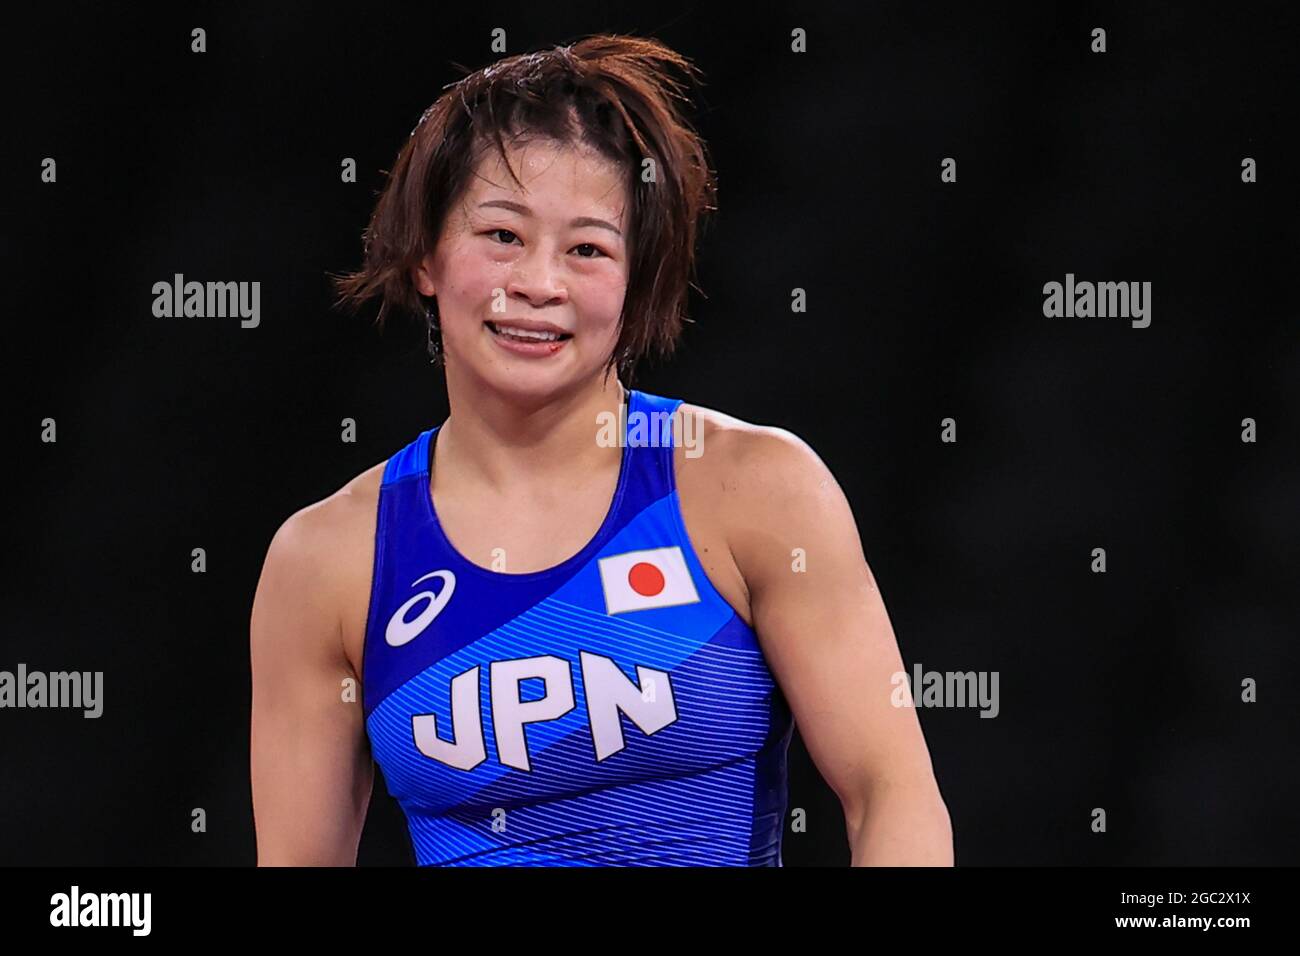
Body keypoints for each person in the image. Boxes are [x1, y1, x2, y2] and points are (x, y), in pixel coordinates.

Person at [250, 33, 951, 866]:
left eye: (587, 249)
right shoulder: (326, 560)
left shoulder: (753, 490)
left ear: (636, 279)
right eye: (502, 235)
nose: (540, 283)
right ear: (426, 255)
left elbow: (891, 793)